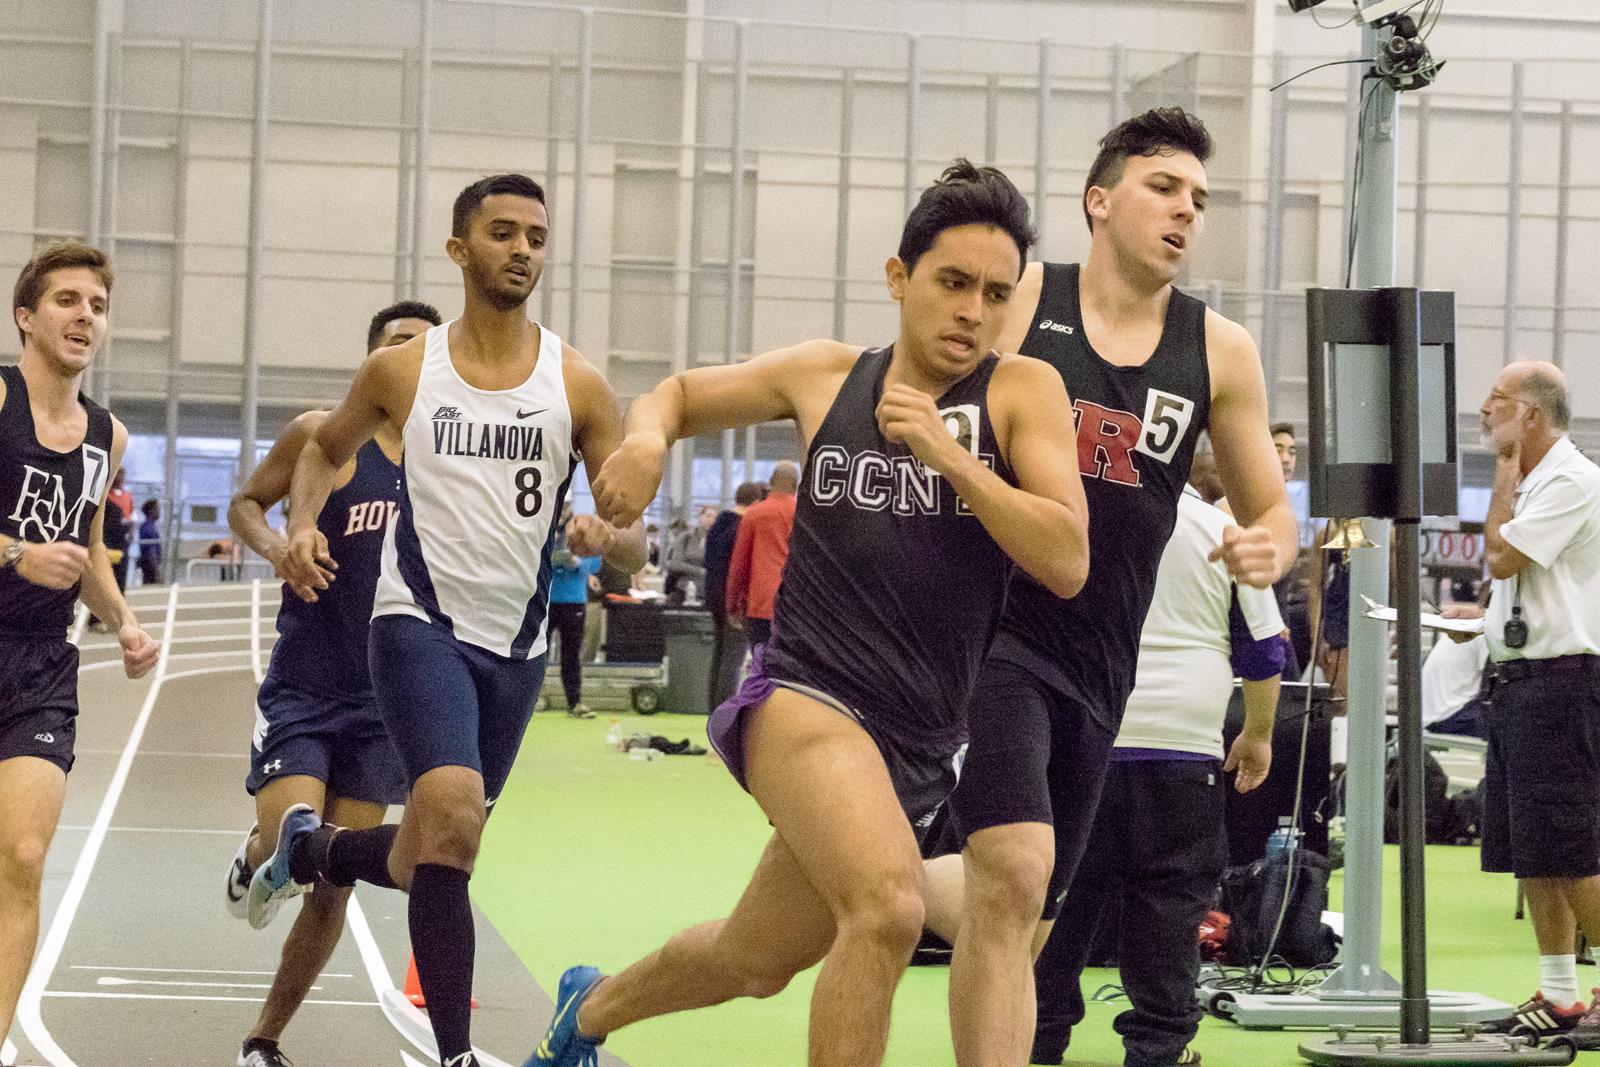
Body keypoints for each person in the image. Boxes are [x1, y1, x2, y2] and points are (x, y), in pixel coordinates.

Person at [526, 160, 1090, 1067]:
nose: (971, 312)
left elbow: (1067, 557)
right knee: (889, 907)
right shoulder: (827, 376)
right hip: (804, 695)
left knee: (754, 958)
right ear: (899, 277)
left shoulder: (1024, 395)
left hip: (918, 740)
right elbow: (676, 394)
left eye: (994, 293)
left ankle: (588, 1010)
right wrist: (644, 438)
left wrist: (952, 456)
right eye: (952, 282)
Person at [932, 109, 1297, 1066]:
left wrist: (1271, 551)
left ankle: (862, 880)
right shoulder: (1021, 301)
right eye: (1164, 188)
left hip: (1104, 666)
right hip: (993, 632)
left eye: (1200, 200)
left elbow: (1274, 514)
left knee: (1026, 908)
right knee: (1015, 875)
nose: (1186, 211)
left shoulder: (1221, 349)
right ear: (1100, 201)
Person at [262, 173, 646, 1067]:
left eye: (537, 237)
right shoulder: (403, 368)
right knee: (453, 812)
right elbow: (324, 446)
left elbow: (632, 541)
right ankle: (459, 1055)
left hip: (515, 647)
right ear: (459, 248)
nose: (522, 249)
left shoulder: (578, 384)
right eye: (502, 232)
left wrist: (603, 533)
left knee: (440, 848)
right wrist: (306, 521)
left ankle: (317, 849)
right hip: (415, 623)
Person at [222, 299, 440, 1067]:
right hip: (307, 685)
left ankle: (263, 1040)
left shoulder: (445, 458)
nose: (409, 358)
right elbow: (246, 502)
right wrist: (282, 545)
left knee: (333, 884)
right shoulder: (325, 434)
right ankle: (253, 856)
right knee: (297, 836)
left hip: (386, 703)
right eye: (396, 346)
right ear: (372, 361)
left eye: (424, 347)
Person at [1024, 483, 1284, 1067]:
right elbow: (1265, 651)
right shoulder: (1218, 531)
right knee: (1170, 900)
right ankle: (1158, 1047)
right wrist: (1257, 734)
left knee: (1059, 899)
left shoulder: (1068, 514)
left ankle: (1035, 1038)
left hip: (1081, 732)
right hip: (1183, 746)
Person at [0, 242, 160, 1053]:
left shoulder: (107, 436)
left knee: (24, 852)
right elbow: (34, 545)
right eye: (67, 300)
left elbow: (89, 547)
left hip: (38, 660)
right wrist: (14, 552)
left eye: (96, 305)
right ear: (26, 316)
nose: (84, 316)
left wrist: (124, 621)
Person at [1439, 362, 1600, 1045]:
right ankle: (1560, 994)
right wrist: (1475, 623)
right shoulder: (1539, 484)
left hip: (1562, 684)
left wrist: (1503, 473)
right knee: (1536, 852)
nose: (1483, 408)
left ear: (1531, 415)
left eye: (1497, 399)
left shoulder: (1569, 479)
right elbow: (1511, 582)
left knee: (1577, 849)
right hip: (1521, 684)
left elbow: (1503, 558)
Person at [724, 460, 799, 649]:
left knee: (760, 666)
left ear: (771, 481)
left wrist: (733, 604)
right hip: (795, 606)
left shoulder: (754, 514)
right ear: (796, 485)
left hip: (761, 604)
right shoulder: (804, 515)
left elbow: (740, 564)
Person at [704, 481, 765, 710]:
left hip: (712, 596)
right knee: (733, 659)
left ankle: (713, 709)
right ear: (756, 503)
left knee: (719, 656)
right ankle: (724, 712)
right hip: (731, 599)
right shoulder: (743, 526)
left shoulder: (719, 522)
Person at [549, 504, 602, 719]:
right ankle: (528, 701)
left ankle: (574, 702)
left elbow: (595, 562)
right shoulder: (548, 528)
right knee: (535, 653)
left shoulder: (584, 534)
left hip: (574, 602)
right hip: (548, 600)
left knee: (571, 655)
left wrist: (576, 563)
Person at [136, 497, 161, 584]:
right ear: (151, 511)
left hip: (148, 564)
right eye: (157, 509)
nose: (159, 512)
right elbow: (151, 551)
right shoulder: (148, 528)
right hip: (149, 566)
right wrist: (156, 570)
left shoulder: (148, 526)